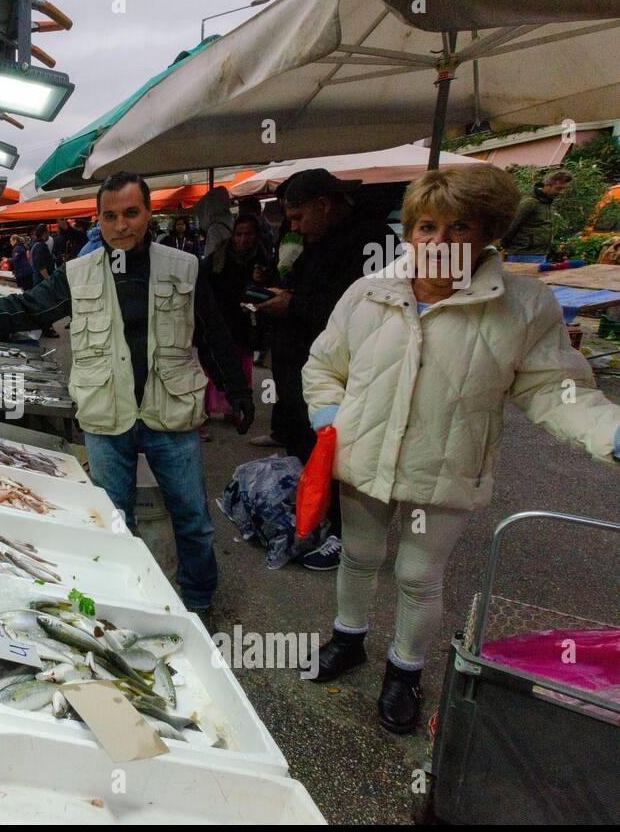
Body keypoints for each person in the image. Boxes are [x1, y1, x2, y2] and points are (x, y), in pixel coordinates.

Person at [302, 163, 620, 733]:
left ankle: (405, 670)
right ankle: (347, 640)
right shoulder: (367, 292)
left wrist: (610, 433)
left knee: (418, 575)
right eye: (427, 226)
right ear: (409, 232)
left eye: (460, 228)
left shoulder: (523, 306)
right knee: (358, 556)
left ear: (489, 233)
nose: (439, 242)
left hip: (445, 466)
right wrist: (330, 418)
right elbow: (324, 366)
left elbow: (556, 390)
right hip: (363, 457)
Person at [0, 172, 256, 619]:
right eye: (110, 216)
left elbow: (212, 334)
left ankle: (199, 601)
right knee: (113, 522)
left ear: (149, 213)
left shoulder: (183, 268)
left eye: (131, 213)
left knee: (192, 518)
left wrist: (239, 389)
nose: (121, 225)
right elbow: (30, 306)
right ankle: (126, 600)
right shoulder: (79, 272)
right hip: (106, 416)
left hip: (169, 414)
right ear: (99, 220)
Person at [251, 168, 396, 570]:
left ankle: (340, 533)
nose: (294, 227)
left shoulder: (374, 241)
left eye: (298, 217)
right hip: (305, 362)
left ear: (323, 205)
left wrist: (293, 305)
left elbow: (365, 314)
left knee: (336, 450)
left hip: (346, 372)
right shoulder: (317, 238)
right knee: (305, 442)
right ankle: (310, 515)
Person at [203, 213, 272, 418]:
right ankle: (205, 411)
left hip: (245, 323)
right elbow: (206, 286)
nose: (243, 239)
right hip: (220, 319)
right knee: (214, 365)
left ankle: (236, 406)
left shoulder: (262, 258)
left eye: (248, 234)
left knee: (242, 364)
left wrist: (258, 282)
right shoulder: (218, 257)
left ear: (257, 235)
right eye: (239, 234)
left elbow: (265, 293)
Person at [501, 169, 573, 262]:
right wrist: (505, 245)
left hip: (540, 254)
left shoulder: (547, 204)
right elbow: (512, 225)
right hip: (523, 255)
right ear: (548, 185)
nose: (561, 192)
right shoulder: (530, 203)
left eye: (564, 189)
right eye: (558, 188)